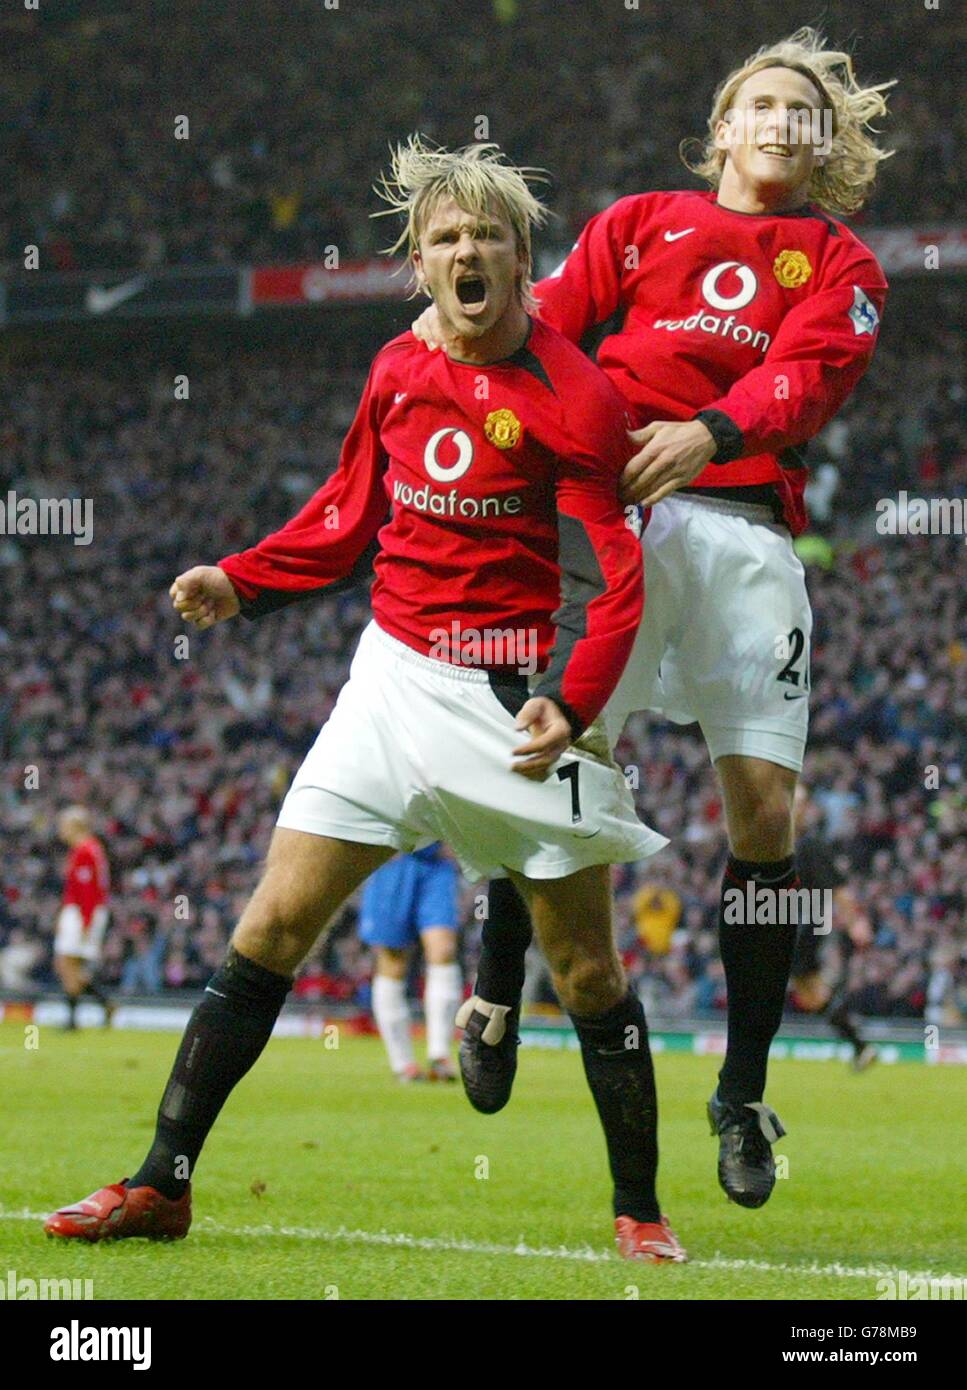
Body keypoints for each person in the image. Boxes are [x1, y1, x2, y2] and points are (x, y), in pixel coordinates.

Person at [45, 137, 683, 1262]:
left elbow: (617, 577)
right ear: (418, 260)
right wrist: (239, 579)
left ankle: (638, 1209)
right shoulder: (394, 367)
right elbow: (347, 515)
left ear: (523, 257)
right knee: (271, 925)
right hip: (388, 676)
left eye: (488, 234)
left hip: (511, 693)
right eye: (445, 237)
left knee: (585, 967)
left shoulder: (573, 393)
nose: (467, 250)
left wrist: (573, 702)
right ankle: (164, 1180)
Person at [415, 27, 893, 1210]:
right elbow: (547, 330)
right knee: (550, 743)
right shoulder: (638, 223)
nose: (782, 121)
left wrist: (712, 432)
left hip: (744, 528)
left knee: (765, 813)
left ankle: (738, 1092)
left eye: (804, 111)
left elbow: (810, 374)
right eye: (762, 102)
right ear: (723, 126)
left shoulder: (840, 263)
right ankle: (493, 978)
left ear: (823, 142)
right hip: (620, 516)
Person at [788, 786, 876, 1071]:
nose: (796, 809)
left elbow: (839, 890)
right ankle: (859, 1045)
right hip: (789, 921)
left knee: (788, 985)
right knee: (811, 993)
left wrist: (856, 922)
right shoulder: (781, 846)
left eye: (800, 803)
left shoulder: (810, 846)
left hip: (803, 923)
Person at [360, 844, 462, 1082]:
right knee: (393, 962)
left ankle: (440, 1055)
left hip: (435, 862)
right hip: (393, 860)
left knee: (443, 950)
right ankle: (403, 1063)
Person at [52, 806, 113, 1030]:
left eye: (64, 826)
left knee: (65, 963)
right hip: (81, 911)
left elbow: (88, 891)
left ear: (75, 826)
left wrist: (86, 920)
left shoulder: (85, 851)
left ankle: (73, 1019)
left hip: (83, 912)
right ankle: (103, 1004)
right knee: (71, 966)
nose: (61, 831)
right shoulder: (90, 849)